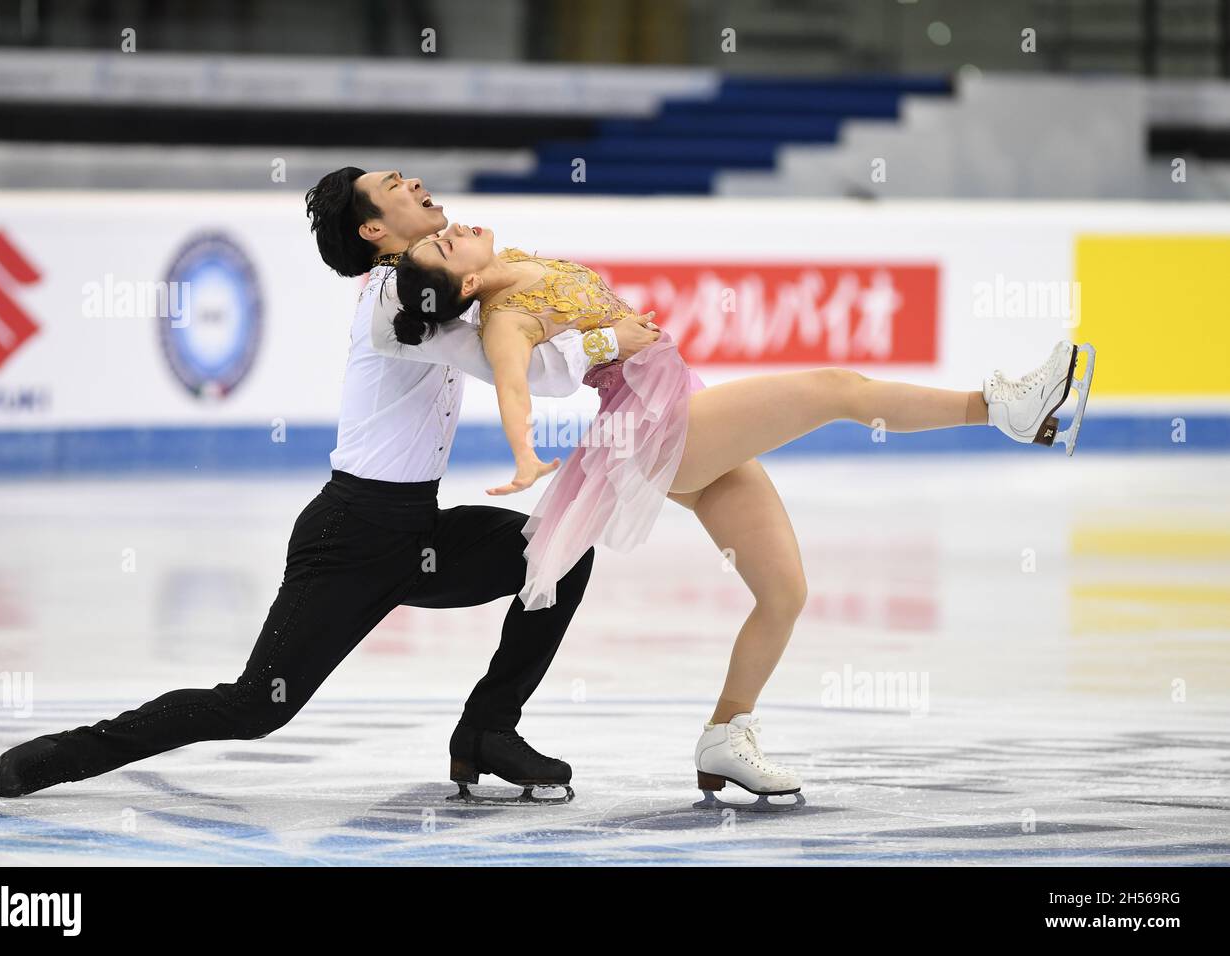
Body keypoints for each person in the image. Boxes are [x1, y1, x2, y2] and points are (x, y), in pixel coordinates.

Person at [0, 169, 660, 806]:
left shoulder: (439, 278)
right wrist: (605, 345)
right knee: (255, 707)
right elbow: (518, 370)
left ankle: (487, 730)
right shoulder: (399, 297)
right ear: (373, 231)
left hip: (415, 528)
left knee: (559, 553)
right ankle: (54, 757)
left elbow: (520, 332)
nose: (416, 183)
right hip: (353, 534)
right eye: (395, 186)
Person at [392, 223, 1096, 809]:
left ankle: (726, 737)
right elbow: (514, 388)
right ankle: (1002, 406)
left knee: (784, 592)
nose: (453, 229)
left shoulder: (512, 260)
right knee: (836, 388)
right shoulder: (505, 318)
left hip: (680, 408)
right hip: (661, 424)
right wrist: (524, 457)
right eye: (447, 248)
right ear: (470, 287)